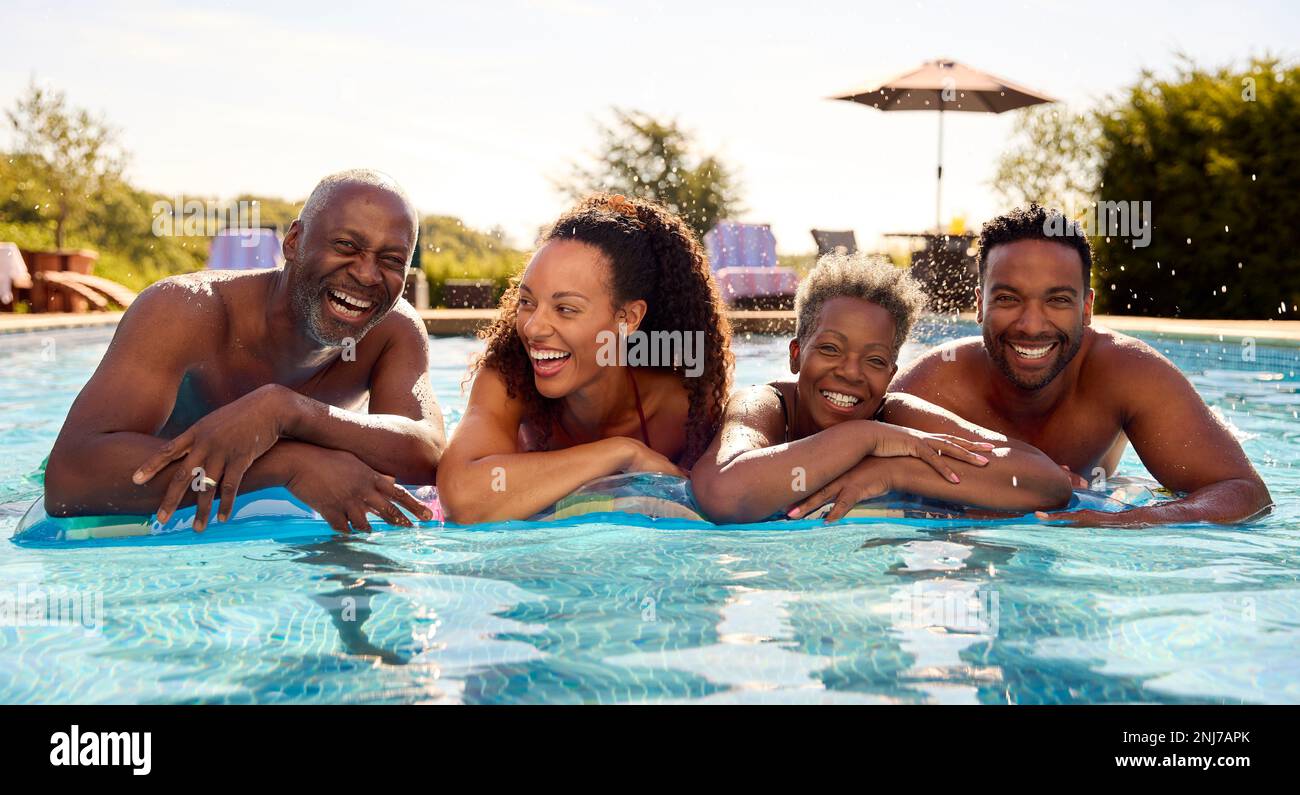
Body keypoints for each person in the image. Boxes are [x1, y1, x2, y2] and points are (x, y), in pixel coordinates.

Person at [44, 169, 445, 534]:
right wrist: (290, 465)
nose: (367, 274)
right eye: (346, 245)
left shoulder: (394, 330)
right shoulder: (185, 310)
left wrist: (286, 412)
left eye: (391, 260)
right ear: (293, 242)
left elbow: (428, 452)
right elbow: (72, 476)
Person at [890, 204, 1272, 526]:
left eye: (1057, 301)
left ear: (1086, 308)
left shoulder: (1126, 372)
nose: (1031, 326)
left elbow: (1244, 491)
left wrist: (1125, 520)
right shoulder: (932, 387)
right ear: (979, 304)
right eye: (1008, 299)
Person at [691, 253, 1073, 523]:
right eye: (829, 349)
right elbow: (723, 495)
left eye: (874, 361)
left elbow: (1048, 483)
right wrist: (865, 437)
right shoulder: (765, 406)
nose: (851, 373)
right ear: (795, 356)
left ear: (891, 374)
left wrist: (893, 472)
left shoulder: (894, 412)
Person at [436, 194, 732, 523]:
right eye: (527, 302)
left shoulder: (682, 407)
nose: (533, 327)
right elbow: (461, 498)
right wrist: (622, 453)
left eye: (565, 309)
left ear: (628, 318)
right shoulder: (510, 378)